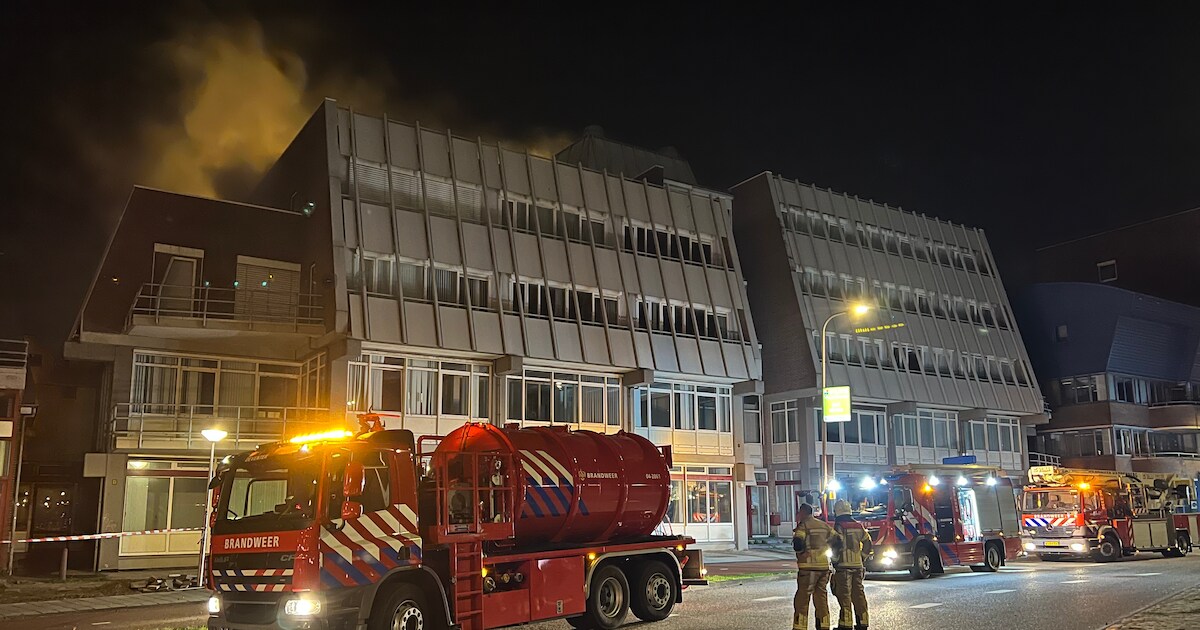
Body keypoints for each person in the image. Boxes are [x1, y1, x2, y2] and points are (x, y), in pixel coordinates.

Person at [793, 502, 840, 630]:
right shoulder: (824, 525)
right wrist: (833, 556)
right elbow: (838, 539)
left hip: (808, 567)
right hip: (824, 567)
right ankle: (824, 625)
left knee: (802, 599)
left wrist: (802, 553)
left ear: (802, 512)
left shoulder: (804, 526)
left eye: (799, 512)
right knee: (821, 597)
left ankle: (800, 626)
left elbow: (797, 542)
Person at [831, 499, 872, 630]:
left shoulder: (839, 525)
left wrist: (835, 560)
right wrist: (862, 557)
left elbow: (836, 543)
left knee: (844, 596)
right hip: (857, 566)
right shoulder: (858, 525)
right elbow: (868, 542)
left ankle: (846, 625)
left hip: (843, 567)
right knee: (859, 595)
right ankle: (863, 622)